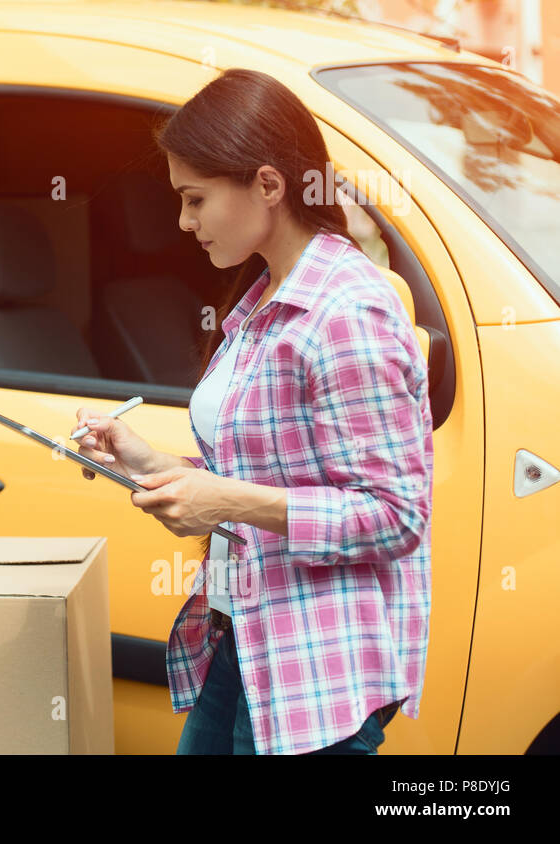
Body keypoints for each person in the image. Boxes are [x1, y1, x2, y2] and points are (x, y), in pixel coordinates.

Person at [73, 68, 433, 755]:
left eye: (195, 198)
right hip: (246, 638)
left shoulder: (344, 311)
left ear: (268, 185)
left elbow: (396, 515)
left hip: (317, 667)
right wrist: (151, 461)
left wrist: (225, 500)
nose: (183, 221)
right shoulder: (267, 297)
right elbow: (257, 473)